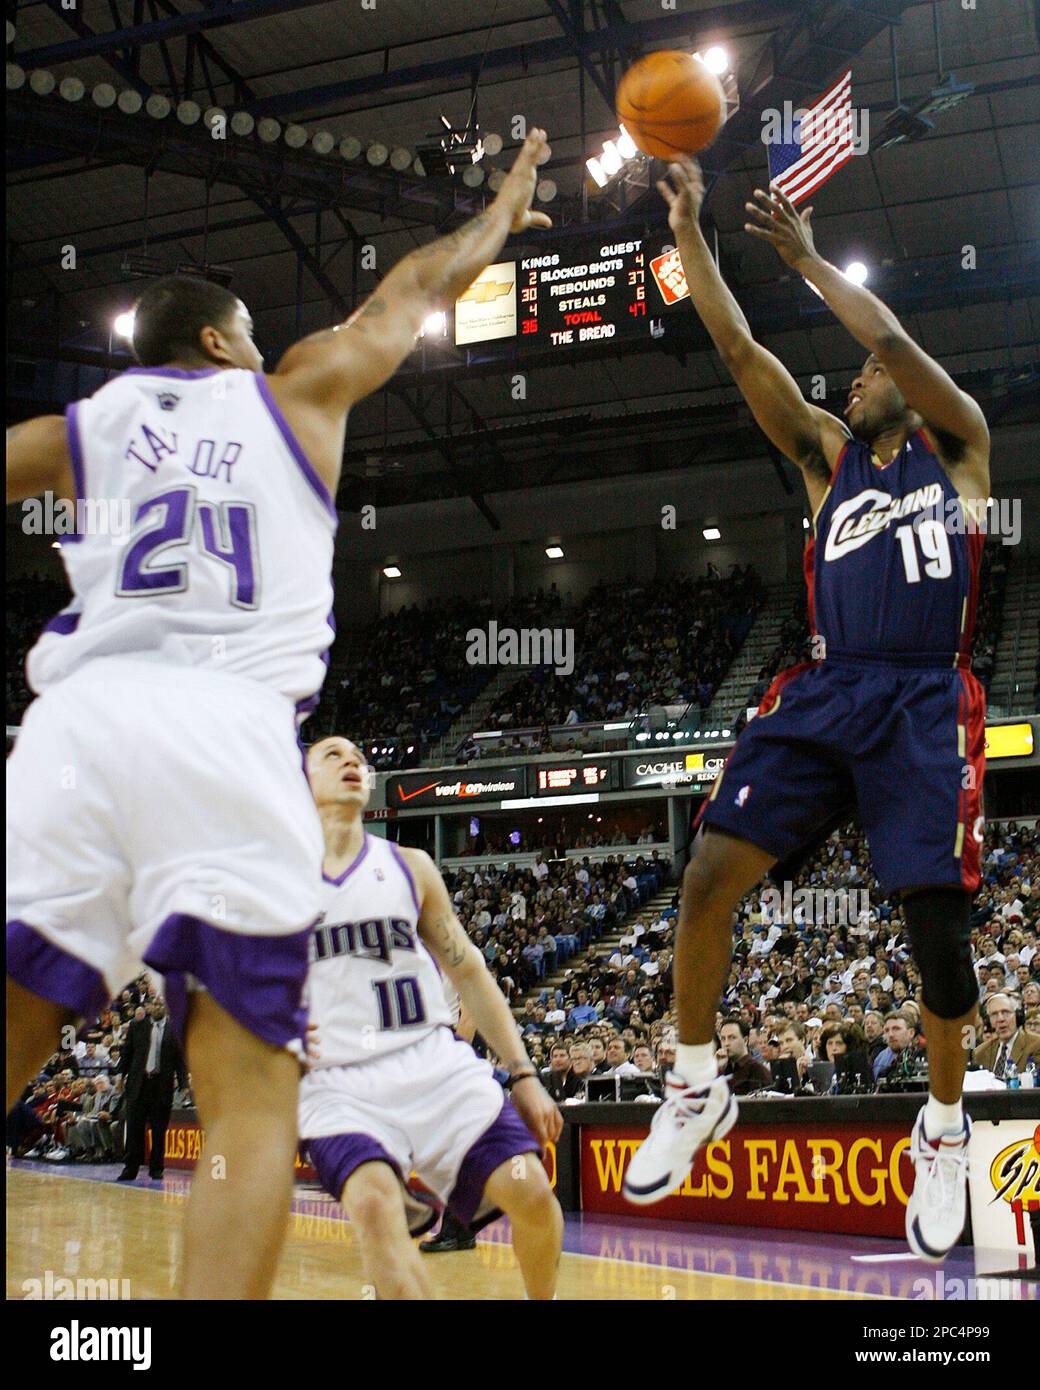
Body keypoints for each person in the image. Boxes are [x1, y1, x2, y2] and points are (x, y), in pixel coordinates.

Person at [6, 128, 552, 1298]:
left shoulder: (87, 430)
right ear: (221, 341)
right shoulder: (296, 391)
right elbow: (409, 293)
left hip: (73, 727)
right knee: (250, 1098)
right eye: (248, 328)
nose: (263, 342)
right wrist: (496, 218)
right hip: (222, 728)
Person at [625, 157, 990, 1267]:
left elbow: (888, 337)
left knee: (937, 943)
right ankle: (692, 1088)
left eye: (864, 373)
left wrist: (807, 259)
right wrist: (693, 234)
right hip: (828, 688)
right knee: (703, 877)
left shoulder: (961, 445)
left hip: (926, 692)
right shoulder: (825, 465)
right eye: (848, 373)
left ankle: (939, 1126)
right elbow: (737, 346)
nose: (851, 379)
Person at [298, 736, 563, 1300]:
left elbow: (469, 973)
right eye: (331, 755)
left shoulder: (409, 867)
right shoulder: (273, 879)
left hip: (432, 1062)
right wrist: (270, 1022)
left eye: (358, 758)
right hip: (336, 1081)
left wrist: (523, 1074)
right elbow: (227, 977)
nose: (350, 761)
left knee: (533, 1193)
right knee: (373, 1205)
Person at [117, 1000, 188, 1181]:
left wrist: (184, 1084)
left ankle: (156, 1168)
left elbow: (180, 1060)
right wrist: (120, 1075)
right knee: (134, 1129)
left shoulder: (175, 1030)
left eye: (160, 1004)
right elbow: (127, 1052)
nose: (157, 1008)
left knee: (159, 1130)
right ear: (149, 1007)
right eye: (154, 1005)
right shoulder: (137, 1026)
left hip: (161, 1085)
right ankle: (131, 1167)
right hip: (139, 1084)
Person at [972, 994, 1039, 1079]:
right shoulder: (979, 1053)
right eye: (994, 1014)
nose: (1000, 1019)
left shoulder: (1036, 1044)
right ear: (989, 1022)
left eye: (1006, 1012)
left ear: (1017, 1015)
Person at [716, 1017, 771, 1096]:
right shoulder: (723, 1068)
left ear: (745, 1040)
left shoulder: (757, 1071)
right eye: (723, 1038)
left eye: (732, 1038)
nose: (726, 1043)